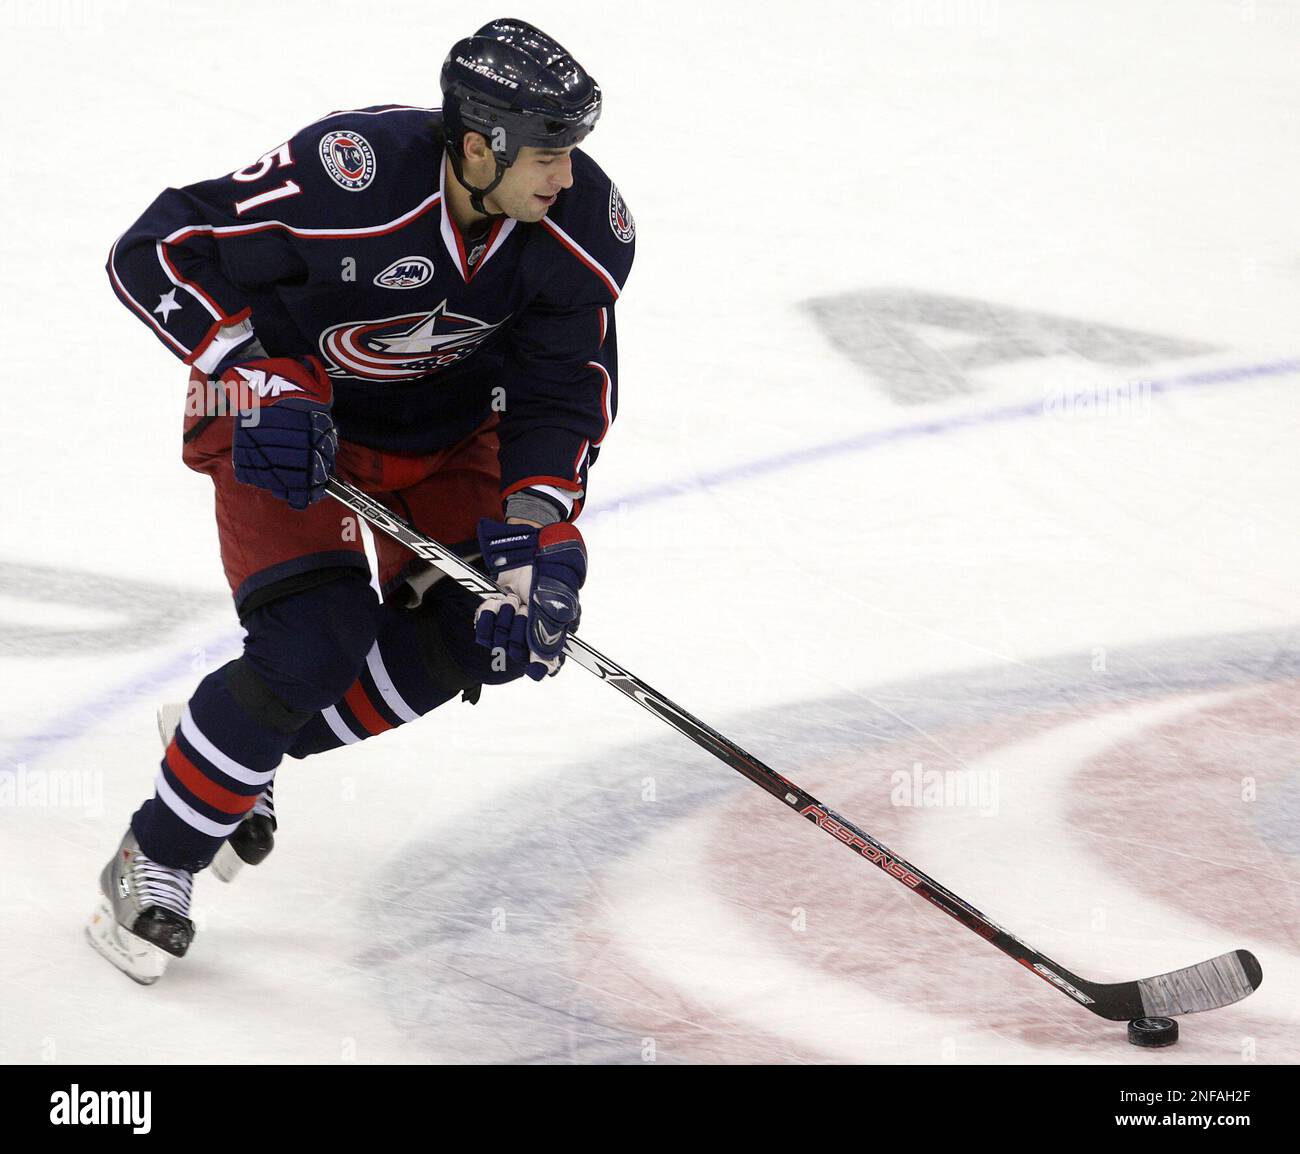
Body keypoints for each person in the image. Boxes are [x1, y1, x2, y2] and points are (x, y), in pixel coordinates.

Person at [88, 18, 634, 983]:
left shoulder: (581, 225)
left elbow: (561, 392)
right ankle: (156, 856)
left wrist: (538, 534)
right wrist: (252, 378)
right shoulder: (353, 173)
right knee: (313, 644)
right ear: (478, 144)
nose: (566, 174)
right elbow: (157, 248)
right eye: (546, 152)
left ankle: (228, 751)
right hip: (291, 419)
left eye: (572, 151)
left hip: (452, 433)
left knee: (488, 628)